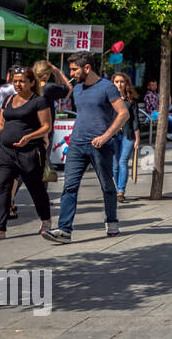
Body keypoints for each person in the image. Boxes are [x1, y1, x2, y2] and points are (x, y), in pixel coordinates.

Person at [46, 52, 129, 244]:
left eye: (74, 69)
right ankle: (65, 230)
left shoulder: (107, 88)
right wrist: (57, 72)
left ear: (87, 68)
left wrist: (106, 136)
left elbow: (123, 114)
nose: (72, 73)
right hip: (76, 144)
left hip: (100, 145)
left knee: (107, 186)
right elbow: (66, 91)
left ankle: (112, 221)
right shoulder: (77, 89)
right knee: (69, 187)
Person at [0, 66, 54, 242]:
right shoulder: (9, 98)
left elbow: (46, 127)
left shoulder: (39, 101)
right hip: (5, 152)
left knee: (36, 188)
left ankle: (46, 220)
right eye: (15, 81)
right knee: (1, 189)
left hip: (29, 152)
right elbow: (1, 124)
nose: (18, 84)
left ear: (32, 82)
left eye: (22, 81)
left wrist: (28, 137)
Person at [110, 73, 141, 203]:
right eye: (116, 81)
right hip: (113, 135)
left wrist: (137, 138)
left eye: (122, 81)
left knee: (123, 162)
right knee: (115, 164)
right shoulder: (109, 99)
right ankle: (116, 189)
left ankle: (121, 191)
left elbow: (135, 120)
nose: (119, 84)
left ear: (126, 83)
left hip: (127, 135)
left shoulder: (131, 100)